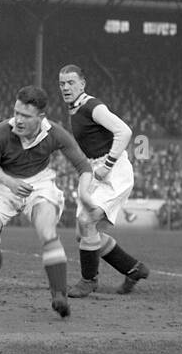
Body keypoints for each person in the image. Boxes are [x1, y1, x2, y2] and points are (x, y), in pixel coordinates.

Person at [0, 85, 93, 317]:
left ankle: (59, 295)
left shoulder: (55, 134)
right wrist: (10, 183)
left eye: (26, 116)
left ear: (40, 117)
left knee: (47, 230)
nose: (18, 120)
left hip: (38, 183)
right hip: (0, 184)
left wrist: (86, 196)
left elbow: (84, 167)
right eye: (16, 112)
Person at [57, 64, 151, 296]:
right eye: (62, 83)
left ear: (82, 83)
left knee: (88, 220)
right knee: (83, 232)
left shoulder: (92, 106)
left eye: (71, 82)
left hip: (113, 171)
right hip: (95, 170)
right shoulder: (75, 109)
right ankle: (133, 269)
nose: (66, 87)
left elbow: (125, 131)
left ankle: (89, 280)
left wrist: (107, 164)